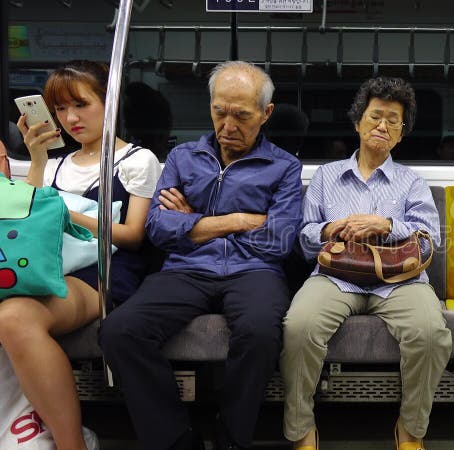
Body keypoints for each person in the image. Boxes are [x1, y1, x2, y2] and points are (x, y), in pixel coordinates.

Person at [99, 60, 302, 450]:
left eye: (241, 115)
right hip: (186, 269)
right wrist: (240, 220)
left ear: (266, 113)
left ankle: (231, 437)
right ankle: (175, 439)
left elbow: (278, 241)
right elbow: (158, 229)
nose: (228, 126)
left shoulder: (284, 167)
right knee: (119, 331)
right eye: (219, 112)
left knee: (260, 333)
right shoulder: (183, 158)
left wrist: (193, 223)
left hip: (255, 271)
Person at [281, 76, 452, 450]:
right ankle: (301, 430)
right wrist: (331, 229)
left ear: (401, 134)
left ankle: (411, 430)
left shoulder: (411, 181)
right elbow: (304, 237)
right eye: (376, 117)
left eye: (394, 121)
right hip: (336, 277)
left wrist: (386, 226)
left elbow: (429, 238)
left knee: (431, 333)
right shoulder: (326, 177)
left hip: (399, 281)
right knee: (299, 326)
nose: (383, 126)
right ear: (358, 122)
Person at [3, 60, 161, 450]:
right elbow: (28, 220)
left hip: (104, 271)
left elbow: (132, 236)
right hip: (53, 264)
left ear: (109, 102)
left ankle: (69, 443)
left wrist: (66, 214)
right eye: (59, 109)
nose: (70, 118)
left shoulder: (136, 161)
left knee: (13, 318)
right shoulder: (55, 165)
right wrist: (36, 160)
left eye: (81, 104)